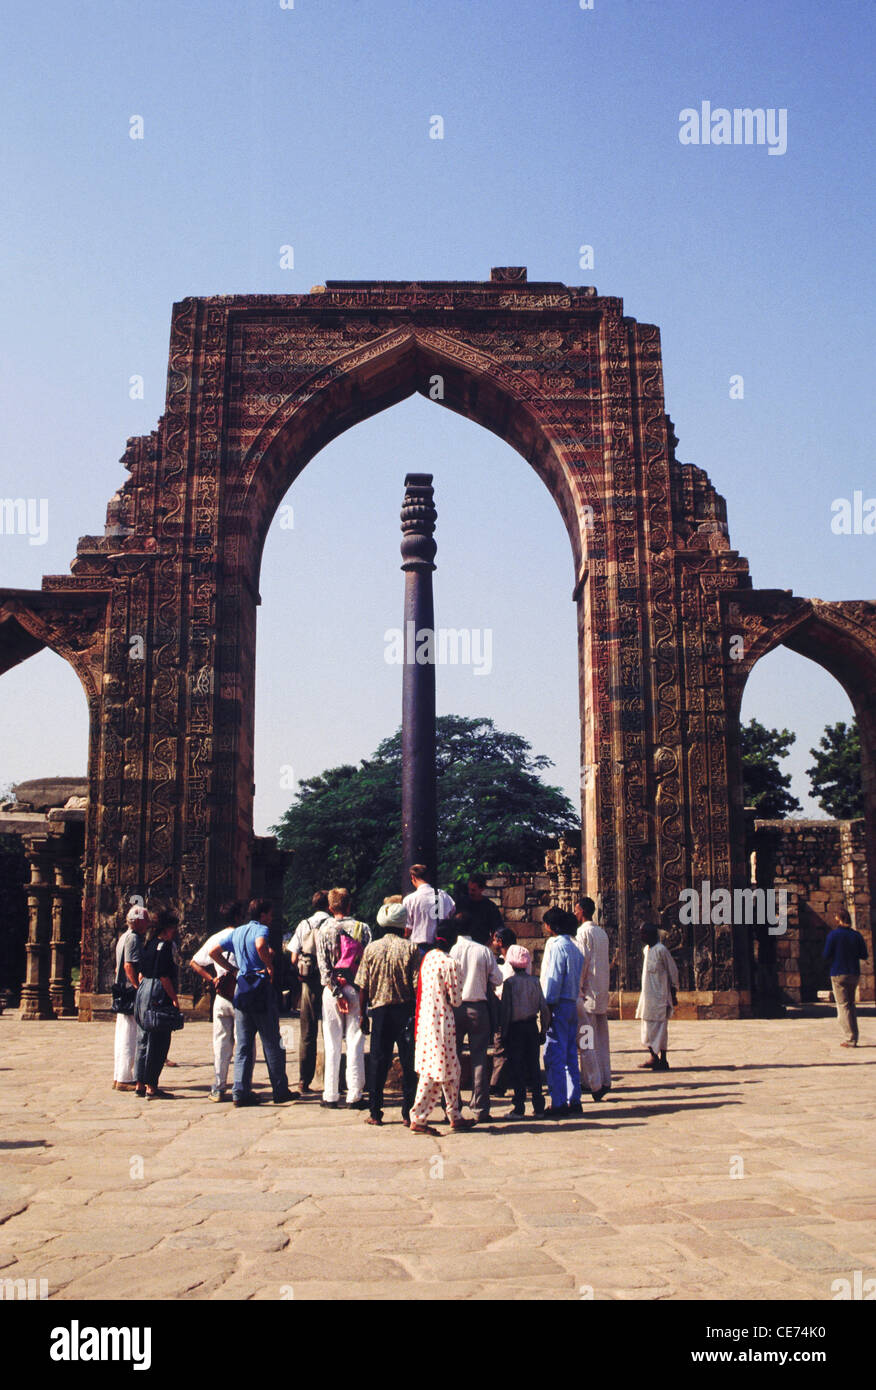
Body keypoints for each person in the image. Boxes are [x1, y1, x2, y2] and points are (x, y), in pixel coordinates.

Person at [210, 898, 293, 1107]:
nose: (271, 918)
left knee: (244, 1045)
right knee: (272, 1042)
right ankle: (280, 1089)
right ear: (263, 915)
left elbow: (213, 952)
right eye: (270, 914)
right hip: (260, 987)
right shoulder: (261, 931)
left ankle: (240, 1090)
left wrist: (231, 969)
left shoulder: (237, 932)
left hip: (242, 989)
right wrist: (268, 964)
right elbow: (260, 945)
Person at [355, 901, 419, 1126]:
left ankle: (375, 1112)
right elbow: (415, 985)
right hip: (405, 1011)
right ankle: (407, 1113)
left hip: (380, 1011)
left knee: (378, 1062)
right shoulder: (411, 949)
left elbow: (363, 985)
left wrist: (362, 1014)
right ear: (403, 926)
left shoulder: (371, 948)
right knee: (409, 1062)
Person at [409, 920, 474, 1135]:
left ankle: (454, 1113)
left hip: (426, 1017)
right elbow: (456, 1000)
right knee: (436, 1068)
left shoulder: (428, 958)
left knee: (450, 1067)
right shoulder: (450, 963)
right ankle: (418, 1117)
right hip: (442, 1020)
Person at [315, 888, 371, 1109]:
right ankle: (355, 1094)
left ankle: (330, 1094)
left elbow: (323, 967)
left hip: (331, 990)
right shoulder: (363, 929)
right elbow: (366, 963)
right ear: (349, 905)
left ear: (330, 908)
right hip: (356, 988)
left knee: (332, 1041)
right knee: (355, 1040)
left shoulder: (324, 929)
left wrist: (337, 993)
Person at [450, 908, 503, 1123]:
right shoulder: (483, 952)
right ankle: (480, 1107)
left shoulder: (451, 952)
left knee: (453, 1057)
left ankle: (453, 1105)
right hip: (478, 1008)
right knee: (479, 1057)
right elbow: (498, 980)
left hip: (455, 1007)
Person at [189, 899, 243, 1102]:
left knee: (221, 1044)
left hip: (221, 995)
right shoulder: (243, 936)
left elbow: (194, 962)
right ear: (238, 916)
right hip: (239, 994)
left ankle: (219, 1087)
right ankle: (240, 1087)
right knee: (242, 1043)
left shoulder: (215, 938)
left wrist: (212, 979)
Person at [540, 907, 585, 1117]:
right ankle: (573, 1098)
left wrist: (547, 1008)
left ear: (551, 926)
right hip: (571, 1003)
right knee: (569, 1055)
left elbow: (554, 980)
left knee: (554, 1055)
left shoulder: (558, 947)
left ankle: (558, 1101)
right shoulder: (575, 949)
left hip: (558, 1005)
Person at [285, 891, 331, 1093]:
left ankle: (304, 1080)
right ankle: (332, 1079)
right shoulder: (333, 925)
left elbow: (293, 958)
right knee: (331, 1031)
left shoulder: (304, 925)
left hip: (309, 981)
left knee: (307, 1032)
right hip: (330, 982)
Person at [134, 909, 182, 1100]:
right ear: (168, 929)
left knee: (144, 1038)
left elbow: (140, 973)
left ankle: (139, 1082)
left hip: (144, 989)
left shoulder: (149, 944)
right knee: (159, 1039)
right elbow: (164, 976)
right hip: (157, 991)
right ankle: (152, 1086)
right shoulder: (165, 946)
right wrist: (174, 998)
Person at [500, 944, 550, 1118]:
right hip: (531, 1027)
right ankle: (539, 1106)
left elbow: (506, 1011)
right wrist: (544, 1030)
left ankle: (519, 1107)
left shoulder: (509, 984)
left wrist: (503, 1033)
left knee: (517, 1068)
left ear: (511, 964)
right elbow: (544, 1009)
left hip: (515, 1029)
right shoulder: (535, 982)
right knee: (534, 1067)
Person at [574, 896, 612, 1101]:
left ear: (583, 911)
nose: (575, 913)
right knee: (601, 1039)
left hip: (588, 992)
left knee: (587, 1039)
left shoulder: (583, 933)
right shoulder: (601, 933)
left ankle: (591, 1080)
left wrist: (577, 986)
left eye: (576, 909)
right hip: (601, 990)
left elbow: (583, 962)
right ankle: (604, 1077)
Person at [112, 904, 149, 1091]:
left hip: (121, 990)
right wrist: (138, 987)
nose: (148, 923)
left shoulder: (123, 937)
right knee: (130, 1035)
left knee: (122, 1033)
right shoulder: (133, 938)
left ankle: (119, 1075)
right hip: (129, 992)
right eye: (146, 920)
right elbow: (128, 966)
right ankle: (125, 1079)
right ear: (138, 921)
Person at [635, 924, 679, 1071]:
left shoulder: (662, 950)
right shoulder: (646, 950)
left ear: (652, 934)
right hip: (647, 997)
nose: (641, 937)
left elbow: (672, 971)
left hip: (660, 996)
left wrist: (673, 994)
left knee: (661, 1029)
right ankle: (654, 1057)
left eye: (644, 933)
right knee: (647, 1029)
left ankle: (663, 1059)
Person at [823, 907, 868, 1047]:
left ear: (839, 919)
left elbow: (826, 955)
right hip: (854, 972)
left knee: (843, 1006)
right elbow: (864, 954)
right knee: (851, 1005)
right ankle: (854, 1035)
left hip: (838, 972)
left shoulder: (833, 935)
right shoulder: (857, 935)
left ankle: (850, 1038)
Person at [489, 925, 519, 1096]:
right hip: (514, 1009)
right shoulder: (508, 960)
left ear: (500, 941)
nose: (493, 942)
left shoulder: (509, 964)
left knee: (501, 1046)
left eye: (494, 939)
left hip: (505, 1008)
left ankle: (497, 1083)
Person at [403, 864, 454, 960]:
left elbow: (407, 930)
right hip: (441, 946)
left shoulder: (409, 900)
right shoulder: (443, 895)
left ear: (413, 877)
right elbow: (452, 916)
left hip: (418, 948)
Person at [461, 873, 504, 946]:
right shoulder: (462, 904)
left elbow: (497, 930)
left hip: (481, 945)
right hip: (462, 946)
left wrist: (485, 947)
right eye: (469, 889)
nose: (470, 892)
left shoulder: (490, 907)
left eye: (473, 890)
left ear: (482, 889)